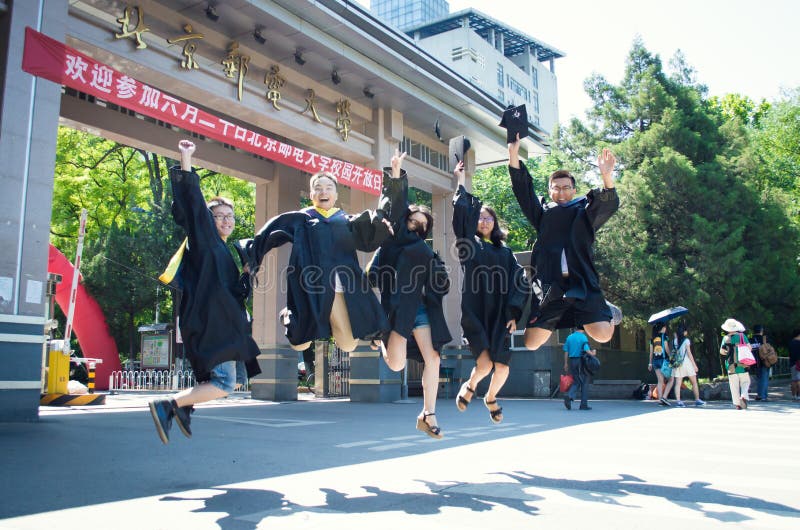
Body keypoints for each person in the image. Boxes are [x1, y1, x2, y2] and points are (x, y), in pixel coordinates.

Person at [149, 139, 261, 444]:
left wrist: (246, 274)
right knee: (224, 382)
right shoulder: (204, 239)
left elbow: (235, 293)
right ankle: (169, 405)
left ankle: (184, 408)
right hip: (214, 324)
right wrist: (186, 160)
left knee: (230, 380)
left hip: (225, 324)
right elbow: (193, 204)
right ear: (208, 221)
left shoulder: (223, 251)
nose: (226, 220)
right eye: (219, 215)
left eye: (230, 216)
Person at [237, 156, 403, 353]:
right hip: (310, 289)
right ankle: (288, 315)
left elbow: (383, 215)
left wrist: (394, 179)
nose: (323, 192)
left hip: (340, 287)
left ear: (336, 194)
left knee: (348, 345)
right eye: (318, 188)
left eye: (328, 188)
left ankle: (331, 324)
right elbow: (270, 233)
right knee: (300, 344)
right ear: (311, 194)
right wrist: (252, 258)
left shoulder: (348, 221)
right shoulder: (302, 219)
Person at [367, 150, 452, 439]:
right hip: (396, 311)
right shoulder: (392, 242)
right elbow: (396, 206)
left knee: (434, 359)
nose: (417, 226)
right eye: (413, 221)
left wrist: (438, 272)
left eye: (423, 224)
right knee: (397, 364)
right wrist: (396, 175)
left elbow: (440, 285)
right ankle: (379, 338)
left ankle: (428, 413)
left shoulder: (426, 252)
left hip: (421, 311)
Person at [508, 139, 622, 350]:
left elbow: (608, 204)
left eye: (566, 188)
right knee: (531, 343)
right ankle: (561, 315)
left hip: (583, 284)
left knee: (603, 336)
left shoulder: (584, 212)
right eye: (556, 188)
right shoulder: (543, 214)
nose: (561, 193)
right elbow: (523, 192)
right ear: (549, 190)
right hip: (551, 287)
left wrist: (606, 176)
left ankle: (606, 310)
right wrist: (513, 154)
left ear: (574, 189)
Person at [452, 160, 529, 424]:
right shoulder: (469, 245)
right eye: (480, 217)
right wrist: (461, 182)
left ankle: (491, 397)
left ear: (495, 223)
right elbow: (461, 217)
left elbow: (520, 280)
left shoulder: (505, 253)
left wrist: (513, 313)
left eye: (489, 218)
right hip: (475, 312)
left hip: (500, 316)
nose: (484, 221)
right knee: (484, 365)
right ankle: (471, 386)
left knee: (503, 366)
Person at [562, 325, 596, 410]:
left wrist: (565, 363)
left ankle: (570, 397)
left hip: (572, 361)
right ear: (583, 330)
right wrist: (593, 353)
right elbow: (586, 349)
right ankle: (581, 403)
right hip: (581, 362)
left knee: (577, 380)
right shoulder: (583, 337)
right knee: (584, 382)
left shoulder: (569, 337)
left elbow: (566, 351)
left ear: (575, 329)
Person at [670, 324, 705, 407]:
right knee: (694, 382)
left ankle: (679, 401)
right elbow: (689, 353)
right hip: (686, 362)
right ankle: (697, 400)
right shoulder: (686, 341)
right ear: (684, 332)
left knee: (678, 383)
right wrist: (694, 365)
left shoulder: (674, 341)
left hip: (677, 363)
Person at [720, 318, 751, 410]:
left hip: (731, 365)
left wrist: (728, 352)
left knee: (734, 385)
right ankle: (743, 395)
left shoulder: (725, 338)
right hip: (742, 364)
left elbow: (722, 351)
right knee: (745, 381)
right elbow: (749, 348)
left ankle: (738, 404)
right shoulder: (742, 336)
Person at [649, 323, 675, 406]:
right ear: (662, 328)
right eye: (665, 327)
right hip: (663, 361)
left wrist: (650, 363)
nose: (665, 328)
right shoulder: (664, 336)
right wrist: (671, 357)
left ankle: (660, 400)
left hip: (655, 361)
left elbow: (651, 353)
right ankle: (664, 397)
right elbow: (666, 348)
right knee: (671, 379)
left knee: (660, 381)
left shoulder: (652, 339)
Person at [749, 324, 769, 401]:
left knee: (760, 378)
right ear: (761, 331)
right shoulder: (764, 339)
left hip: (754, 362)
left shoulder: (750, 340)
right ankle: (762, 395)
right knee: (764, 378)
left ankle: (763, 395)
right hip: (764, 361)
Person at [789, 329, 800, 401]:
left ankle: (794, 395)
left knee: (794, 380)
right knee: (798, 380)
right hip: (798, 362)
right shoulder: (799, 343)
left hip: (792, 362)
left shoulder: (791, 342)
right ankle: (798, 396)